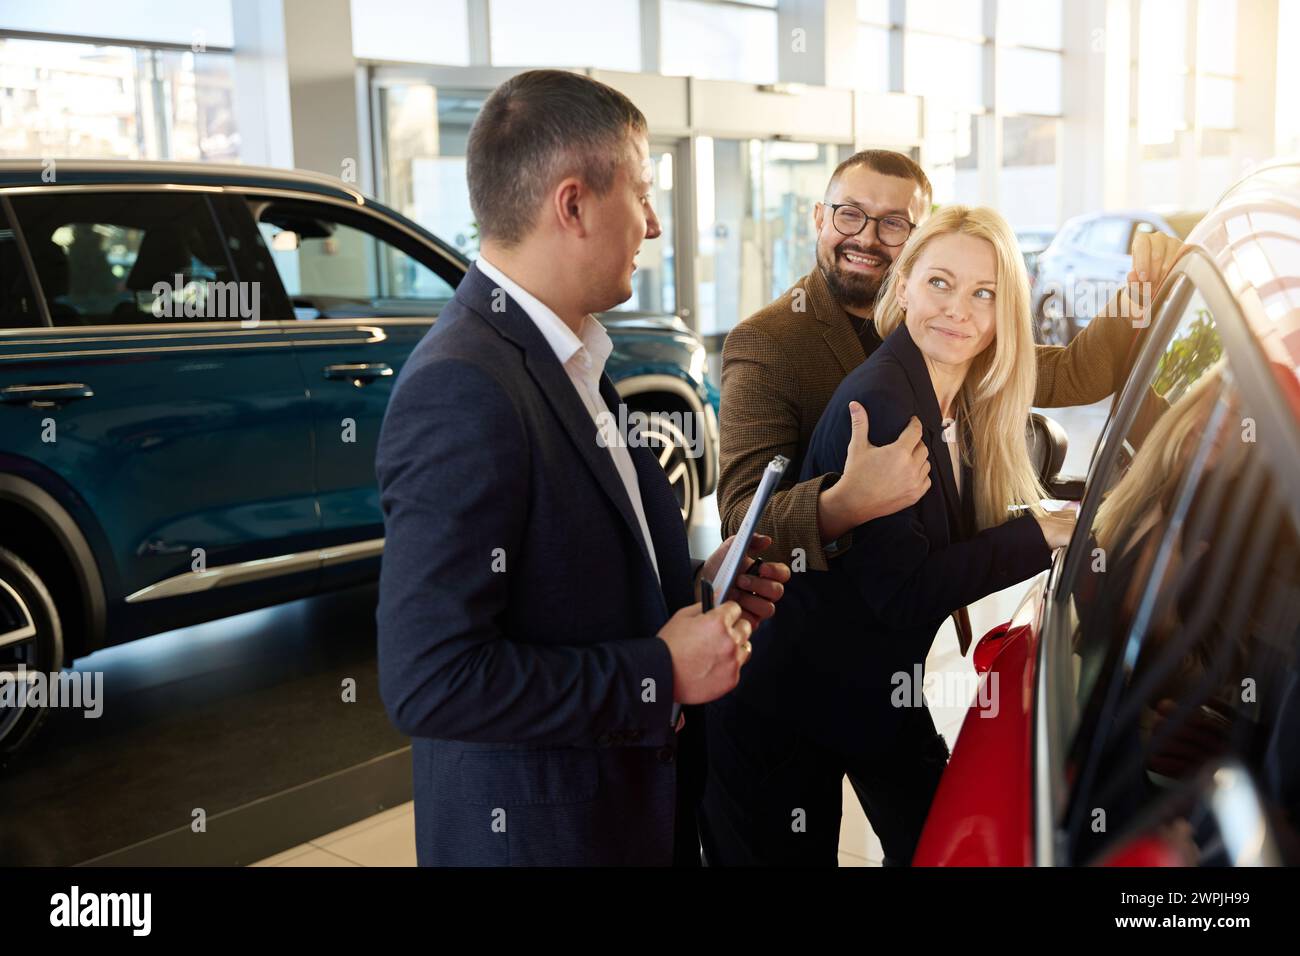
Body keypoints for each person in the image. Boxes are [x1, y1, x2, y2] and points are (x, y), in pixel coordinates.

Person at [375, 69, 790, 867]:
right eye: (642, 194)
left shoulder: (568, 354)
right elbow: (432, 679)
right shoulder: (463, 387)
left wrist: (701, 590)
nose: (655, 225)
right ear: (573, 204)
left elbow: (571, 576)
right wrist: (660, 670)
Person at [702, 206, 1087, 866]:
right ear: (903, 284)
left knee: (943, 845)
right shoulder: (884, 400)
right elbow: (903, 591)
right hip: (785, 704)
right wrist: (1041, 534)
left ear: (1004, 314)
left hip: (877, 690)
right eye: (939, 282)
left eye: (983, 293)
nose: (958, 310)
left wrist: (1082, 503)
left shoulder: (958, 395)